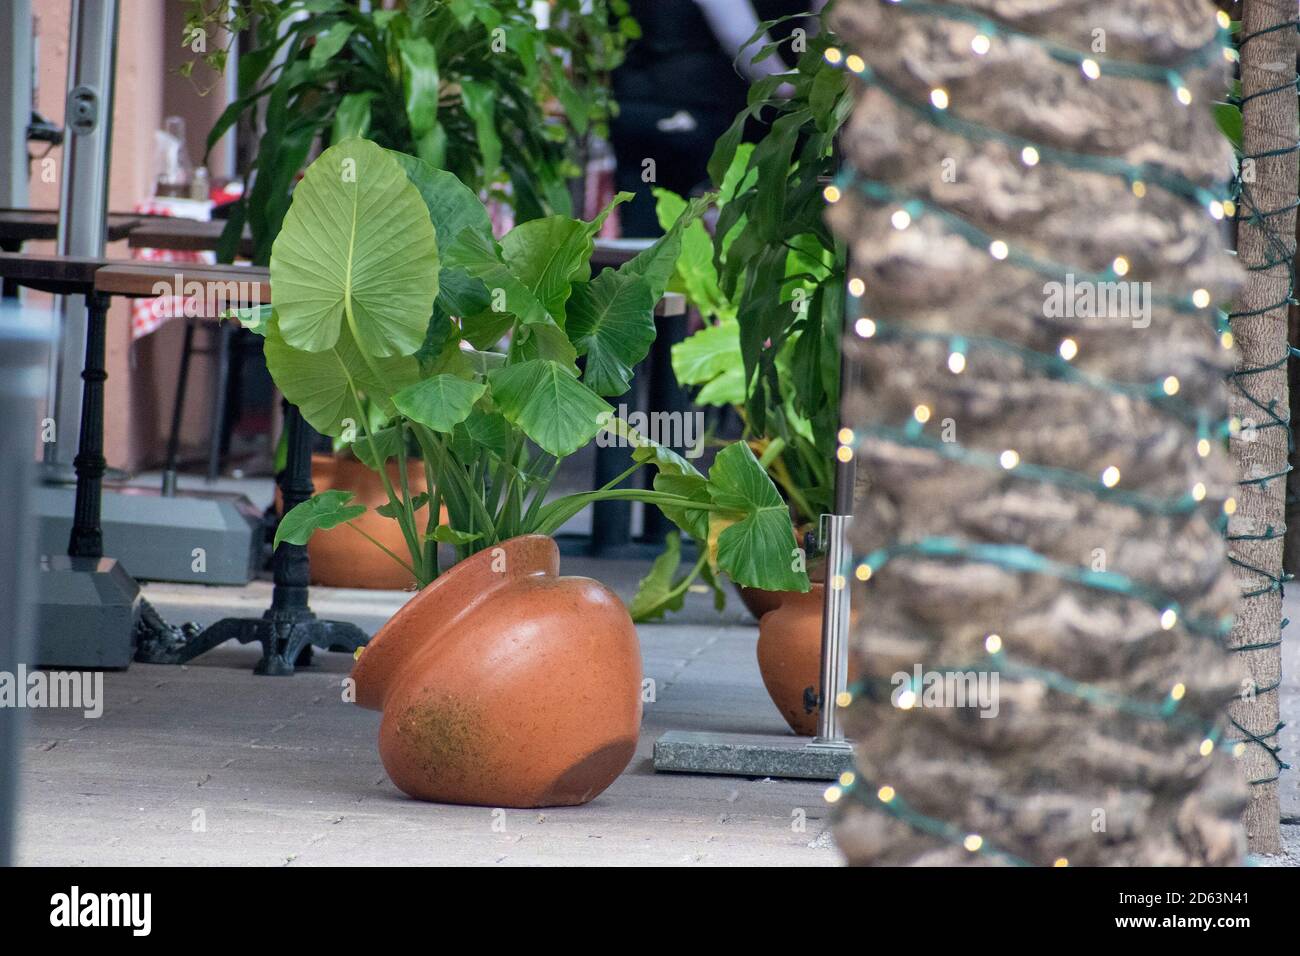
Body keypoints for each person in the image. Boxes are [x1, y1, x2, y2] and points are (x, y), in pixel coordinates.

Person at [610, 0, 818, 237]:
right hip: (695, 106)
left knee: (642, 225)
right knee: (702, 230)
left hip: (629, 107)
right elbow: (738, 35)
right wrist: (788, 89)